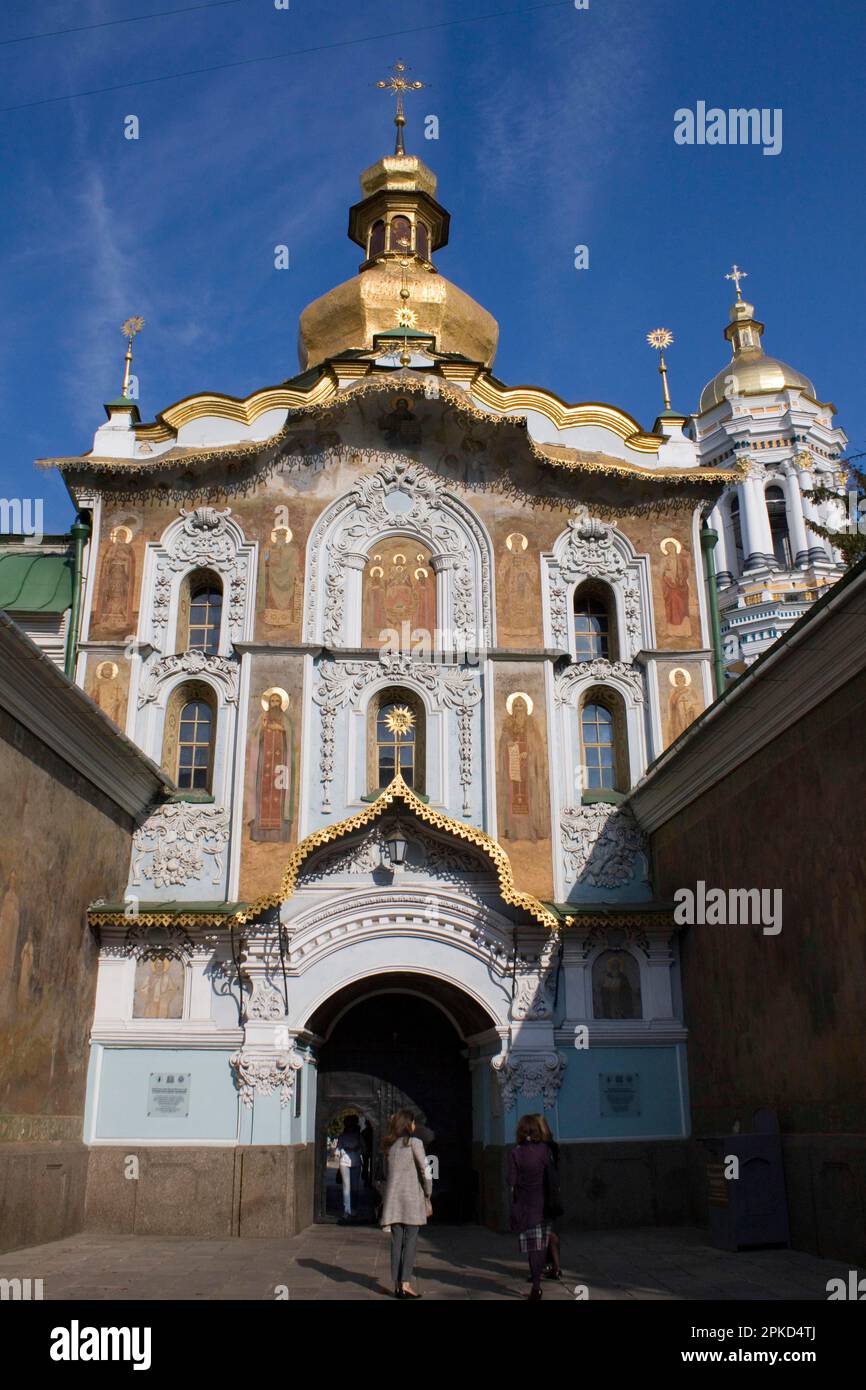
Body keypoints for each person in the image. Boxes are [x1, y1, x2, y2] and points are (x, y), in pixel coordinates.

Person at [380, 1108, 432, 1299]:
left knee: (396, 1242)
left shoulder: (390, 1146)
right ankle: (406, 1283)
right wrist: (428, 1192)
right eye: (412, 1122)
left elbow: (387, 1175)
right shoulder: (414, 1143)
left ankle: (396, 1284)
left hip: (394, 1201)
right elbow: (425, 1169)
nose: (414, 1125)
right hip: (411, 1199)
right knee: (410, 1241)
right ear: (408, 1124)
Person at [508, 1112, 553, 1300]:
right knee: (541, 1244)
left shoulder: (516, 1153)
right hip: (543, 1202)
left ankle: (535, 1284)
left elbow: (511, 1180)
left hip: (525, 1204)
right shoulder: (544, 1150)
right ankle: (537, 1285)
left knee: (531, 1246)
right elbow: (551, 1174)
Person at [536, 1113, 563, 1280]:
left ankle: (548, 1266)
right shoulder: (551, 1146)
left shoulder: (543, 1149)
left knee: (545, 1232)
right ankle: (554, 1266)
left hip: (543, 1194)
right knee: (550, 1231)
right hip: (550, 1194)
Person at [335, 1114, 362, 1220]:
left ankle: (353, 1209)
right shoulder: (342, 1136)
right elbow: (337, 1151)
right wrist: (344, 1150)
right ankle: (348, 1210)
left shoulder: (358, 1136)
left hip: (355, 1164)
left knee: (354, 1188)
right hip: (345, 1163)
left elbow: (365, 1149)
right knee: (347, 1187)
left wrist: (357, 1148)